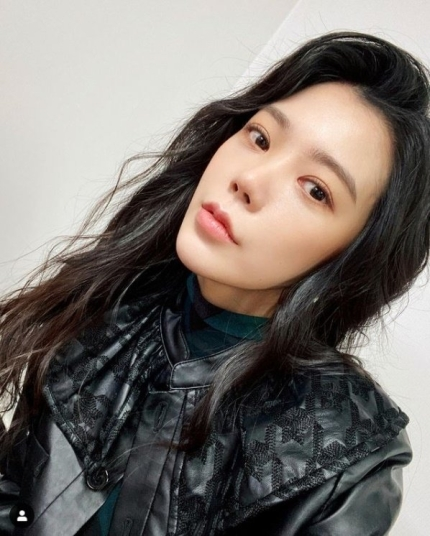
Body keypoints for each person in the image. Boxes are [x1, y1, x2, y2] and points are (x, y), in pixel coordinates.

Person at [0, 30, 429, 536]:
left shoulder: (345, 459)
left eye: (316, 189)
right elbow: (17, 501)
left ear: (354, 258)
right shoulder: (104, 304)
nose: (250, 179)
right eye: (261, 137)